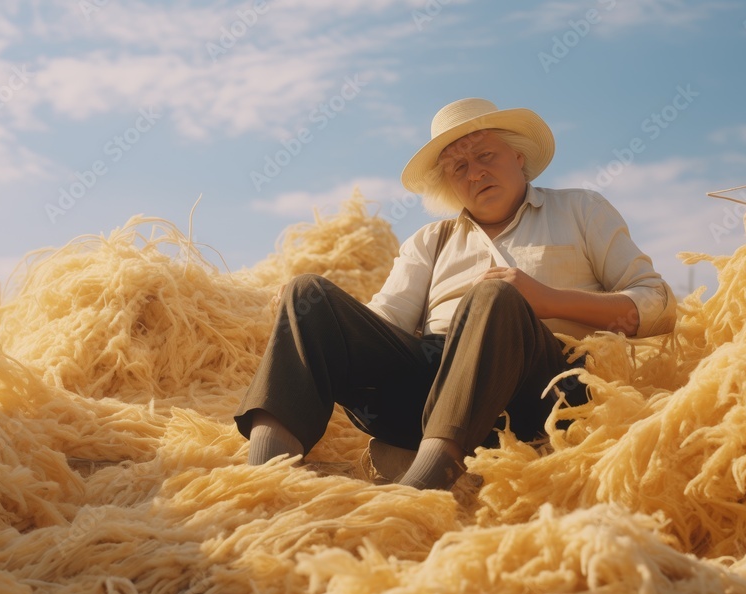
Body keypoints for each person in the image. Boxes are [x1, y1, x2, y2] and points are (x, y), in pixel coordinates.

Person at [234, 97, 676, 490]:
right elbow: (385, 319)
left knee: (495, 297)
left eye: (486, 155)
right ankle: (264, 476)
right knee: (306, 292)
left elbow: (658, 304)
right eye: (458, 168)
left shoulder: (581, 208)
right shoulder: (431, 240)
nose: (475, 172)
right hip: (431, 389)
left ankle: (427, 483)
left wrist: (547, 300)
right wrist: (315, 321)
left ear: (519, 157)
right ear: (449, 185)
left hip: (540, 392)